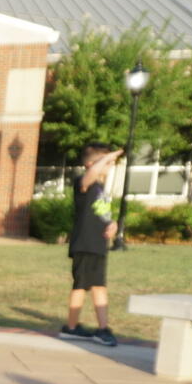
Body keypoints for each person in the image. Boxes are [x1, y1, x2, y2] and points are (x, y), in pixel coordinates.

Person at [59, 142, 122, 346]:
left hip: (97, 245)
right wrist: (108, 156)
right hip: (85, 244)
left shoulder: (100, 188)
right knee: (89, 287)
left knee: (94, 286)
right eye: (107, 163)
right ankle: (96, 329)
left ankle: (74, 327)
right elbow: (91, 173)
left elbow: (101, 213)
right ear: (91, 164)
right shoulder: (83, 183)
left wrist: (112, 224)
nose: (110, 166)